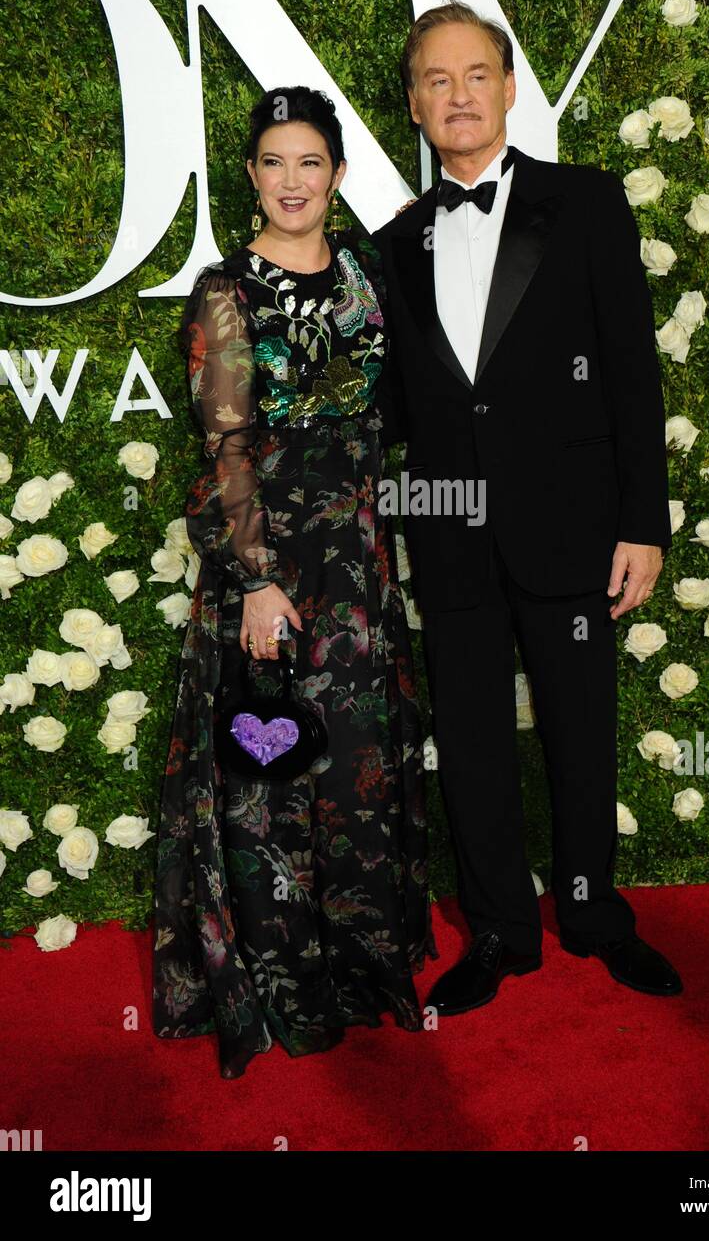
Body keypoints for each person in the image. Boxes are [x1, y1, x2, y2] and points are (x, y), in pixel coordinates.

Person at [371, 0, 683, 1016]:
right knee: (467, 739)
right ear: (414, 105)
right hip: (450, 534)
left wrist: (644, 522)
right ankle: (500, 931)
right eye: (434, 80)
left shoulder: (585, 203)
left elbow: (632, 373)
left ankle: (593, 914)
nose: (456, 95)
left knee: (581, 728)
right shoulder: (393, 242)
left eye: (474, 75)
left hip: (575, 527)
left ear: (507, 89)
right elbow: (392, 410)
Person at [152, 85, 436, 1079]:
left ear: (337, 174)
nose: (290, 182)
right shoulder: (227, 292)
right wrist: (258, 582)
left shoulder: (368, 273)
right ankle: (279, 981)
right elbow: (224, 443)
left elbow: (395, 411)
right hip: (268, 566)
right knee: (269, 781)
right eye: (272, 163)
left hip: (359, 564)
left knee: (354, 764)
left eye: (308, 162)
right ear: (250, 177)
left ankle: (360, 970)